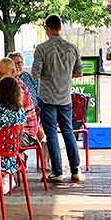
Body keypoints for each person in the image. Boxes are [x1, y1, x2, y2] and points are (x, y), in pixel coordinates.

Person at [32, 15, 83, 183]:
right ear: (60, 27)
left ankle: (57, 171)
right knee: (68, 131)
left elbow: (35, 74)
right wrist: (64, 75)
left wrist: (49, 74)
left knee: (51, 134)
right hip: (65, 97)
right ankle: (75, 170)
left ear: (46, 28)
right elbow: (78, 72)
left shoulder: (41, 48)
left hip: (47, 97)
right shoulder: (72, 48)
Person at [0, 58, 38, 148]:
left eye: (1, 74)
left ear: (13, 72)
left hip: (26, 134)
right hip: (18, 131)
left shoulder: (17, 88)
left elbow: (9, 115)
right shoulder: (9, 86)